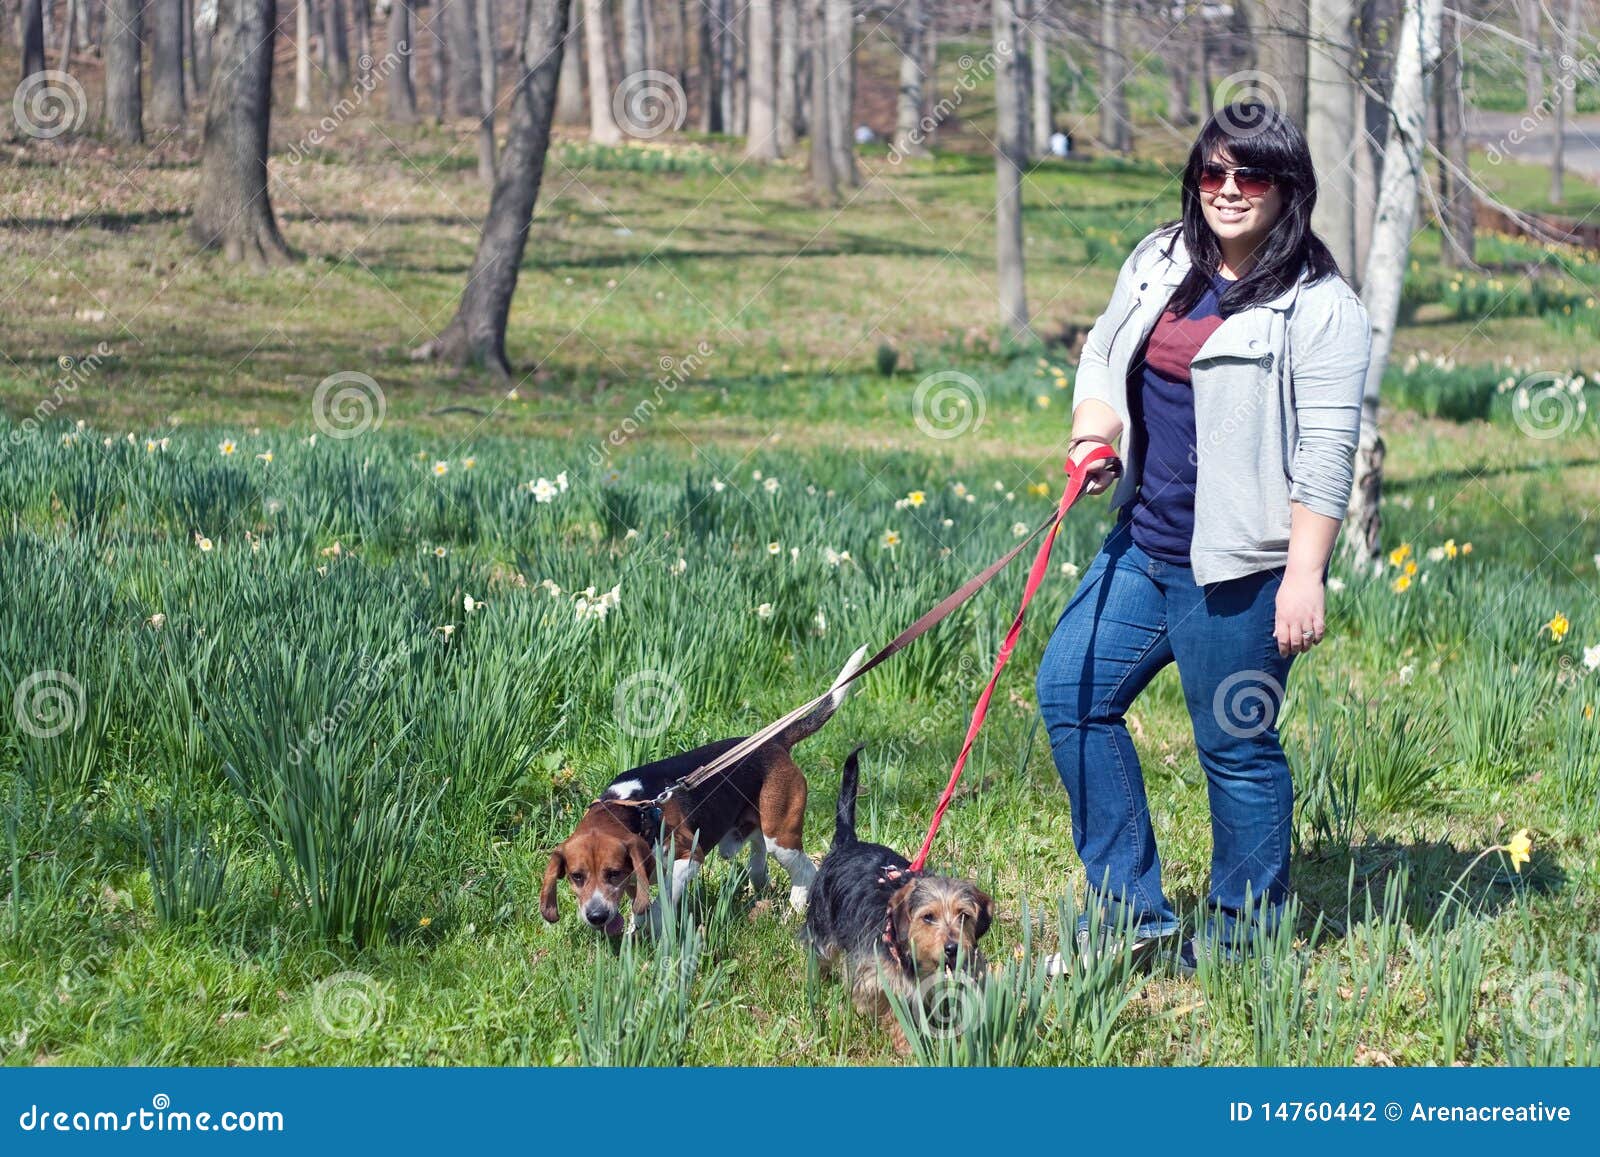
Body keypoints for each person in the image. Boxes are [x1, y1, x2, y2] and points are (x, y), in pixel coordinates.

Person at [1035, 103, 1371, 976]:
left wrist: (1307, 573)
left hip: (1247, 567)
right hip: (1145, 542)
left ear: (1287, 188)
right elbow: (1105, 353)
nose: (1227, 190)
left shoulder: (1322, 308)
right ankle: (1128, 911)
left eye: (1250, 175)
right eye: (1212, 173)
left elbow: (1327, 455)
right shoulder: (1160, 259)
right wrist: (1093, 433)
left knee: (1234, 742)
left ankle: (1242, 933)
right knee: (1071, 692)